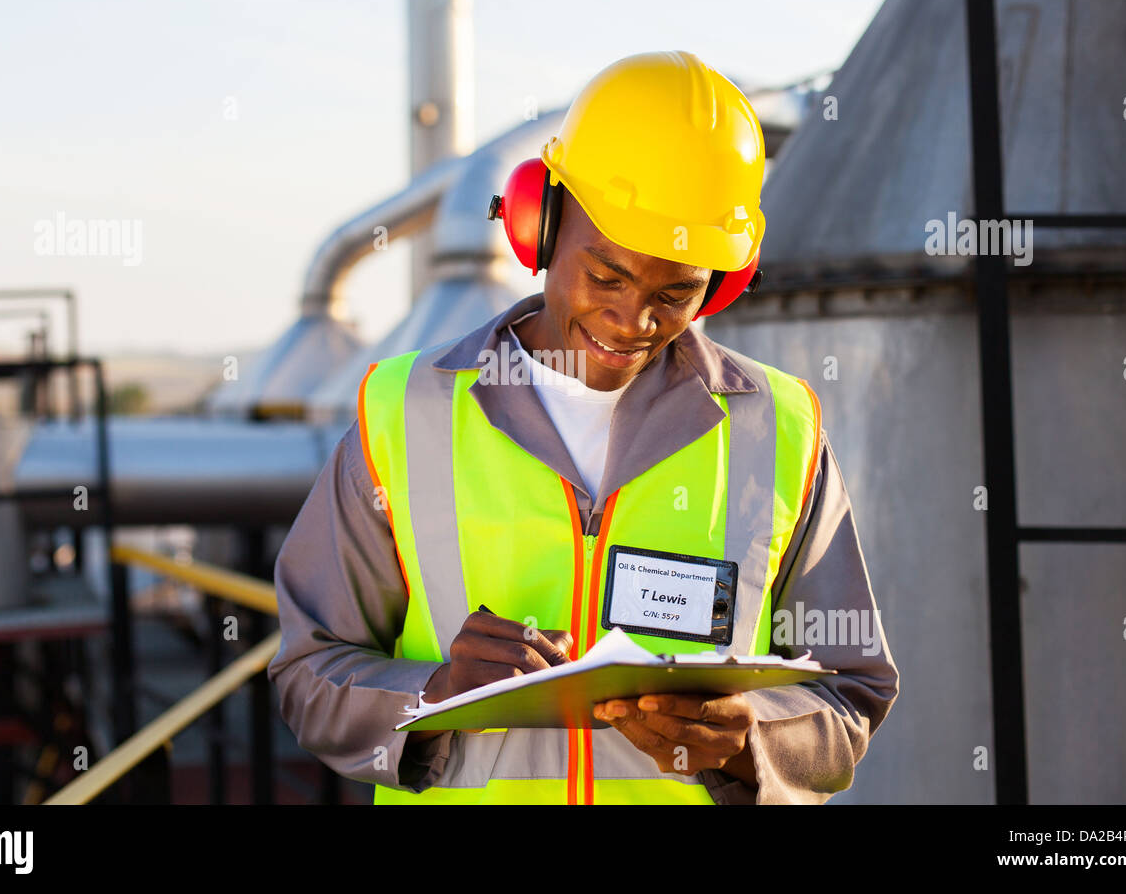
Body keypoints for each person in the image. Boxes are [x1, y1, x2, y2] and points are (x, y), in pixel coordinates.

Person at [269, 51, 898, 804]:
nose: (632, 321)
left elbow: (850, 693)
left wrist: (750, 738)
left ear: (723, 284)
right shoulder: (404, 414)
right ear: (541, 222)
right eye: (606, 276)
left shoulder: (781, 429)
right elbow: (309, 674)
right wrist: (434, 695)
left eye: (676, 293)